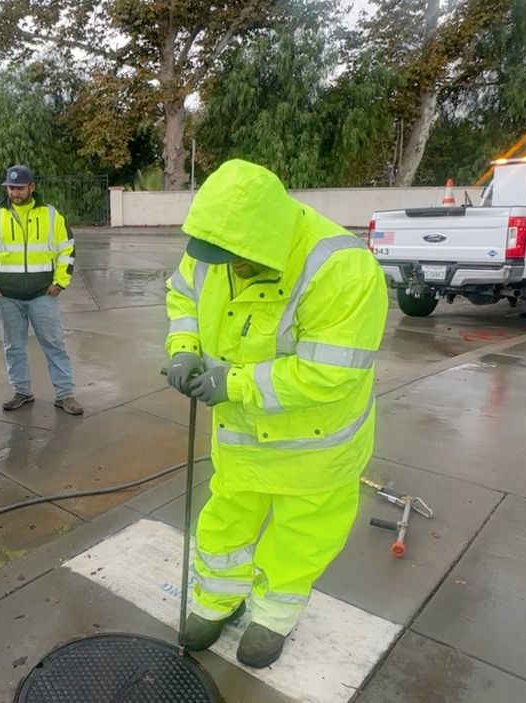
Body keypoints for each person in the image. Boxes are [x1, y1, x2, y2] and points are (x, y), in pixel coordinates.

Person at [164, 159, 388, 668]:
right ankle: (214, 600)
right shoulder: (215, 249)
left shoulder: (343, 269)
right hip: (242, 439)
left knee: (300, 538)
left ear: (260, 243)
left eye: (237, 262)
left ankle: (272, 616)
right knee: (226, 519)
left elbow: (330, 373)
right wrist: (183, 346)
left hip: (315, 450)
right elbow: (182, 295)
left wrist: (233, 382)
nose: (229, 270)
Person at [0, 165, 85, 415]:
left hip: (42, 295)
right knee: (13, 347)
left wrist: (60, 283)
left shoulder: (51, 215)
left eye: (19, 188)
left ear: (32, 187)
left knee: (54, 344)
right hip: (5, 296)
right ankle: (21, 391)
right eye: (11, 188)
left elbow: (67, 249)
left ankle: (65, 394)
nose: (14, 193)